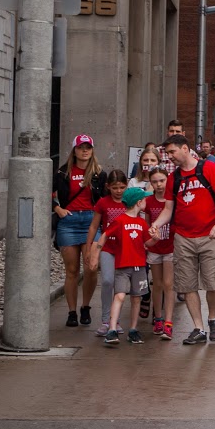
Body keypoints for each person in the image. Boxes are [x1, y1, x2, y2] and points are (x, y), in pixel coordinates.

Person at [151, 134, 215, 345]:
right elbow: (168, 208)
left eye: (172, 152)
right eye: (167, 153)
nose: (169, 157)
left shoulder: (208, 169)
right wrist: (156, 224)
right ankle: (198, 327)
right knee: (187, 285)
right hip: (183, 237)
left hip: (209, 235)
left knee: (213, 283)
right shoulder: (173, 178)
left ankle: (212, 318)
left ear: (185, 149)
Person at [52, 135, 105, 328]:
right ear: (74, 150)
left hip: (91, 221)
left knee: (91, 267)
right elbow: (46, 191)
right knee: (72, 271)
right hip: (69, 221)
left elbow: (106, 199)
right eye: (81, 147)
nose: (85, 151)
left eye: (88, 148)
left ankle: (86, 306)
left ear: (92, 150)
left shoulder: (99, 173)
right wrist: (57, 209)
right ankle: (72, 311)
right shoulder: (62, 173)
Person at [101, 188, 153, 346]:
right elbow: (105, 234)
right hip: (123, 265)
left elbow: (147, 243)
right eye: (144, 199)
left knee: (137, 297)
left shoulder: (142, 222)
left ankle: (133, 329)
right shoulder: (120, 220)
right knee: (120, 295)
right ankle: (112, 329)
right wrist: (98, 250)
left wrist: (155, 239)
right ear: (138, 202)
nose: (146, 202)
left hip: (139, 265)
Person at [83, 170, 131, 335]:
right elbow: (94, 226)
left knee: (120, 285)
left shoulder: (130, 202)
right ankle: (105, 319)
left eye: (122, 187)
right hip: (107, 248)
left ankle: (115, 320)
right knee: (107, 281)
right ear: (108, 187)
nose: (119, 191)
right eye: (115, 187)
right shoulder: (103, 203)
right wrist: (89, 248)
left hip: (126, 249)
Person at [143, 168, 175, 339]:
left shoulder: (173, 200)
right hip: (155, 248)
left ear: (167, 180)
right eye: (155, 182)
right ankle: (158, 318)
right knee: (157, 284)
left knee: (169, 284)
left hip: (171, 247)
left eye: (162, 180)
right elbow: (147, 224)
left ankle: (168, 322)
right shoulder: (148, 202)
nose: (159, 184)